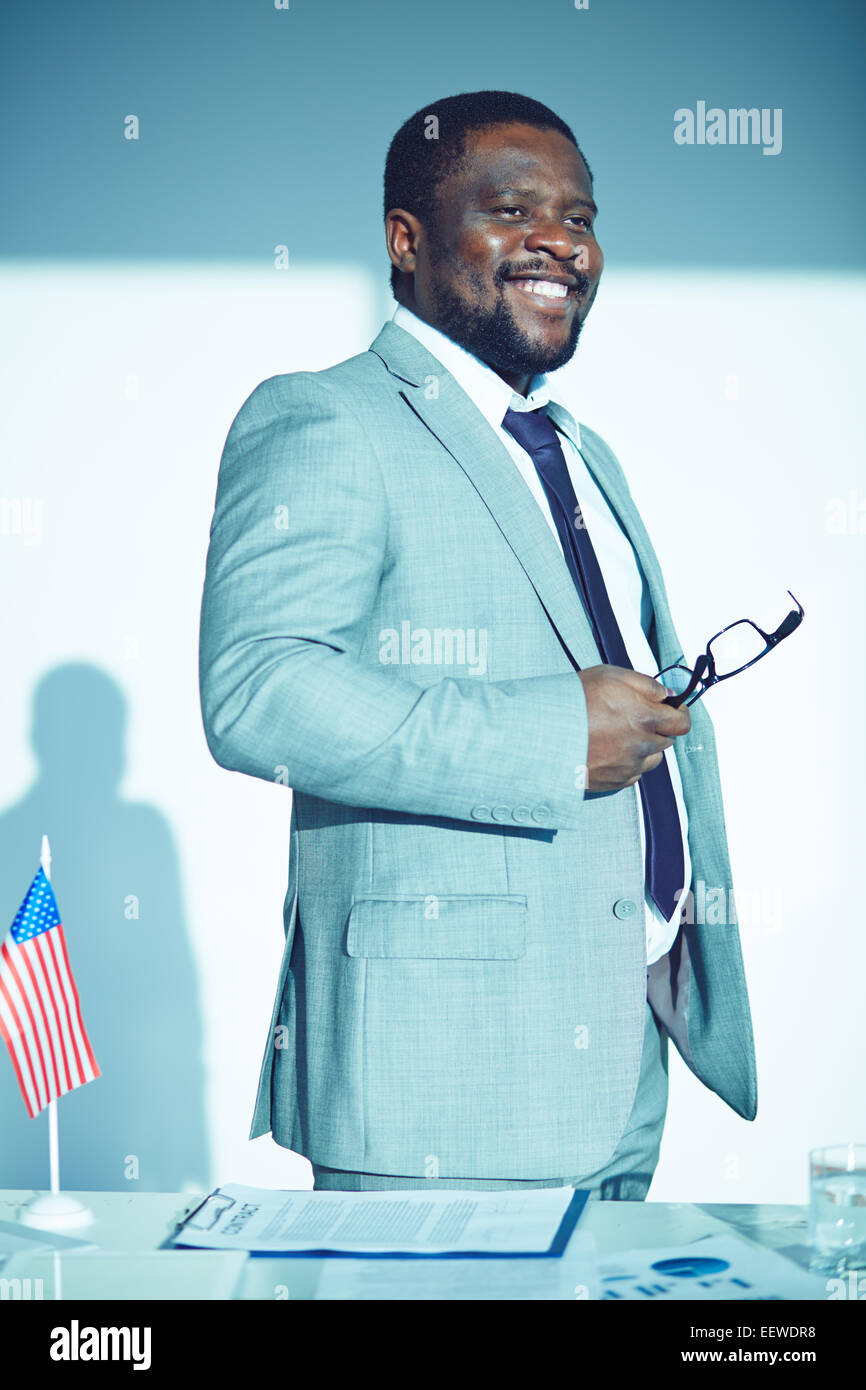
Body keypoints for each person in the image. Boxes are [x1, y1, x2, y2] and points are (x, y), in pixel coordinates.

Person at [198, 90, 757, 1198]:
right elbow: (256, 691)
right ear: (405, 240)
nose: (560, 241)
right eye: (511, 210)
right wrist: (552, 735)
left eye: (580, 217)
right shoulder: (323, 417)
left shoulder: (578, 449)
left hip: (622, 1038)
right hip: (440, 1075)